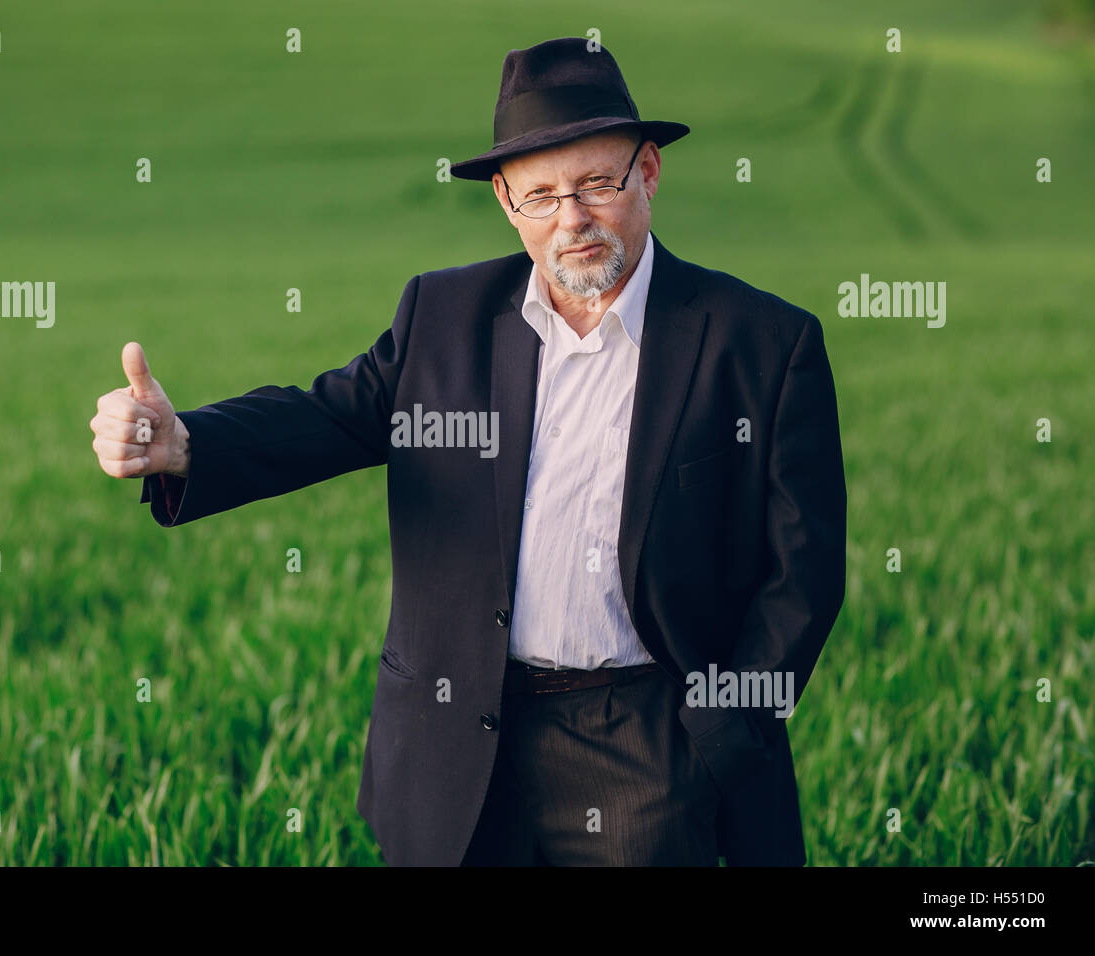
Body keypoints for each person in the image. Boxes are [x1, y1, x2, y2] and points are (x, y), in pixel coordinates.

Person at [89, 36, 846, 866]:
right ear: (504, 201)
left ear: (650, 171)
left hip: (651, 749)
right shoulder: (444, 318)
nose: (574, 219)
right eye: (542, 195)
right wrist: (184, 442)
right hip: (459, 740)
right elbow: (328, 417)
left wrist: (720, 735)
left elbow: (802, 573)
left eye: (598, 182)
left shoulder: (762, 343)